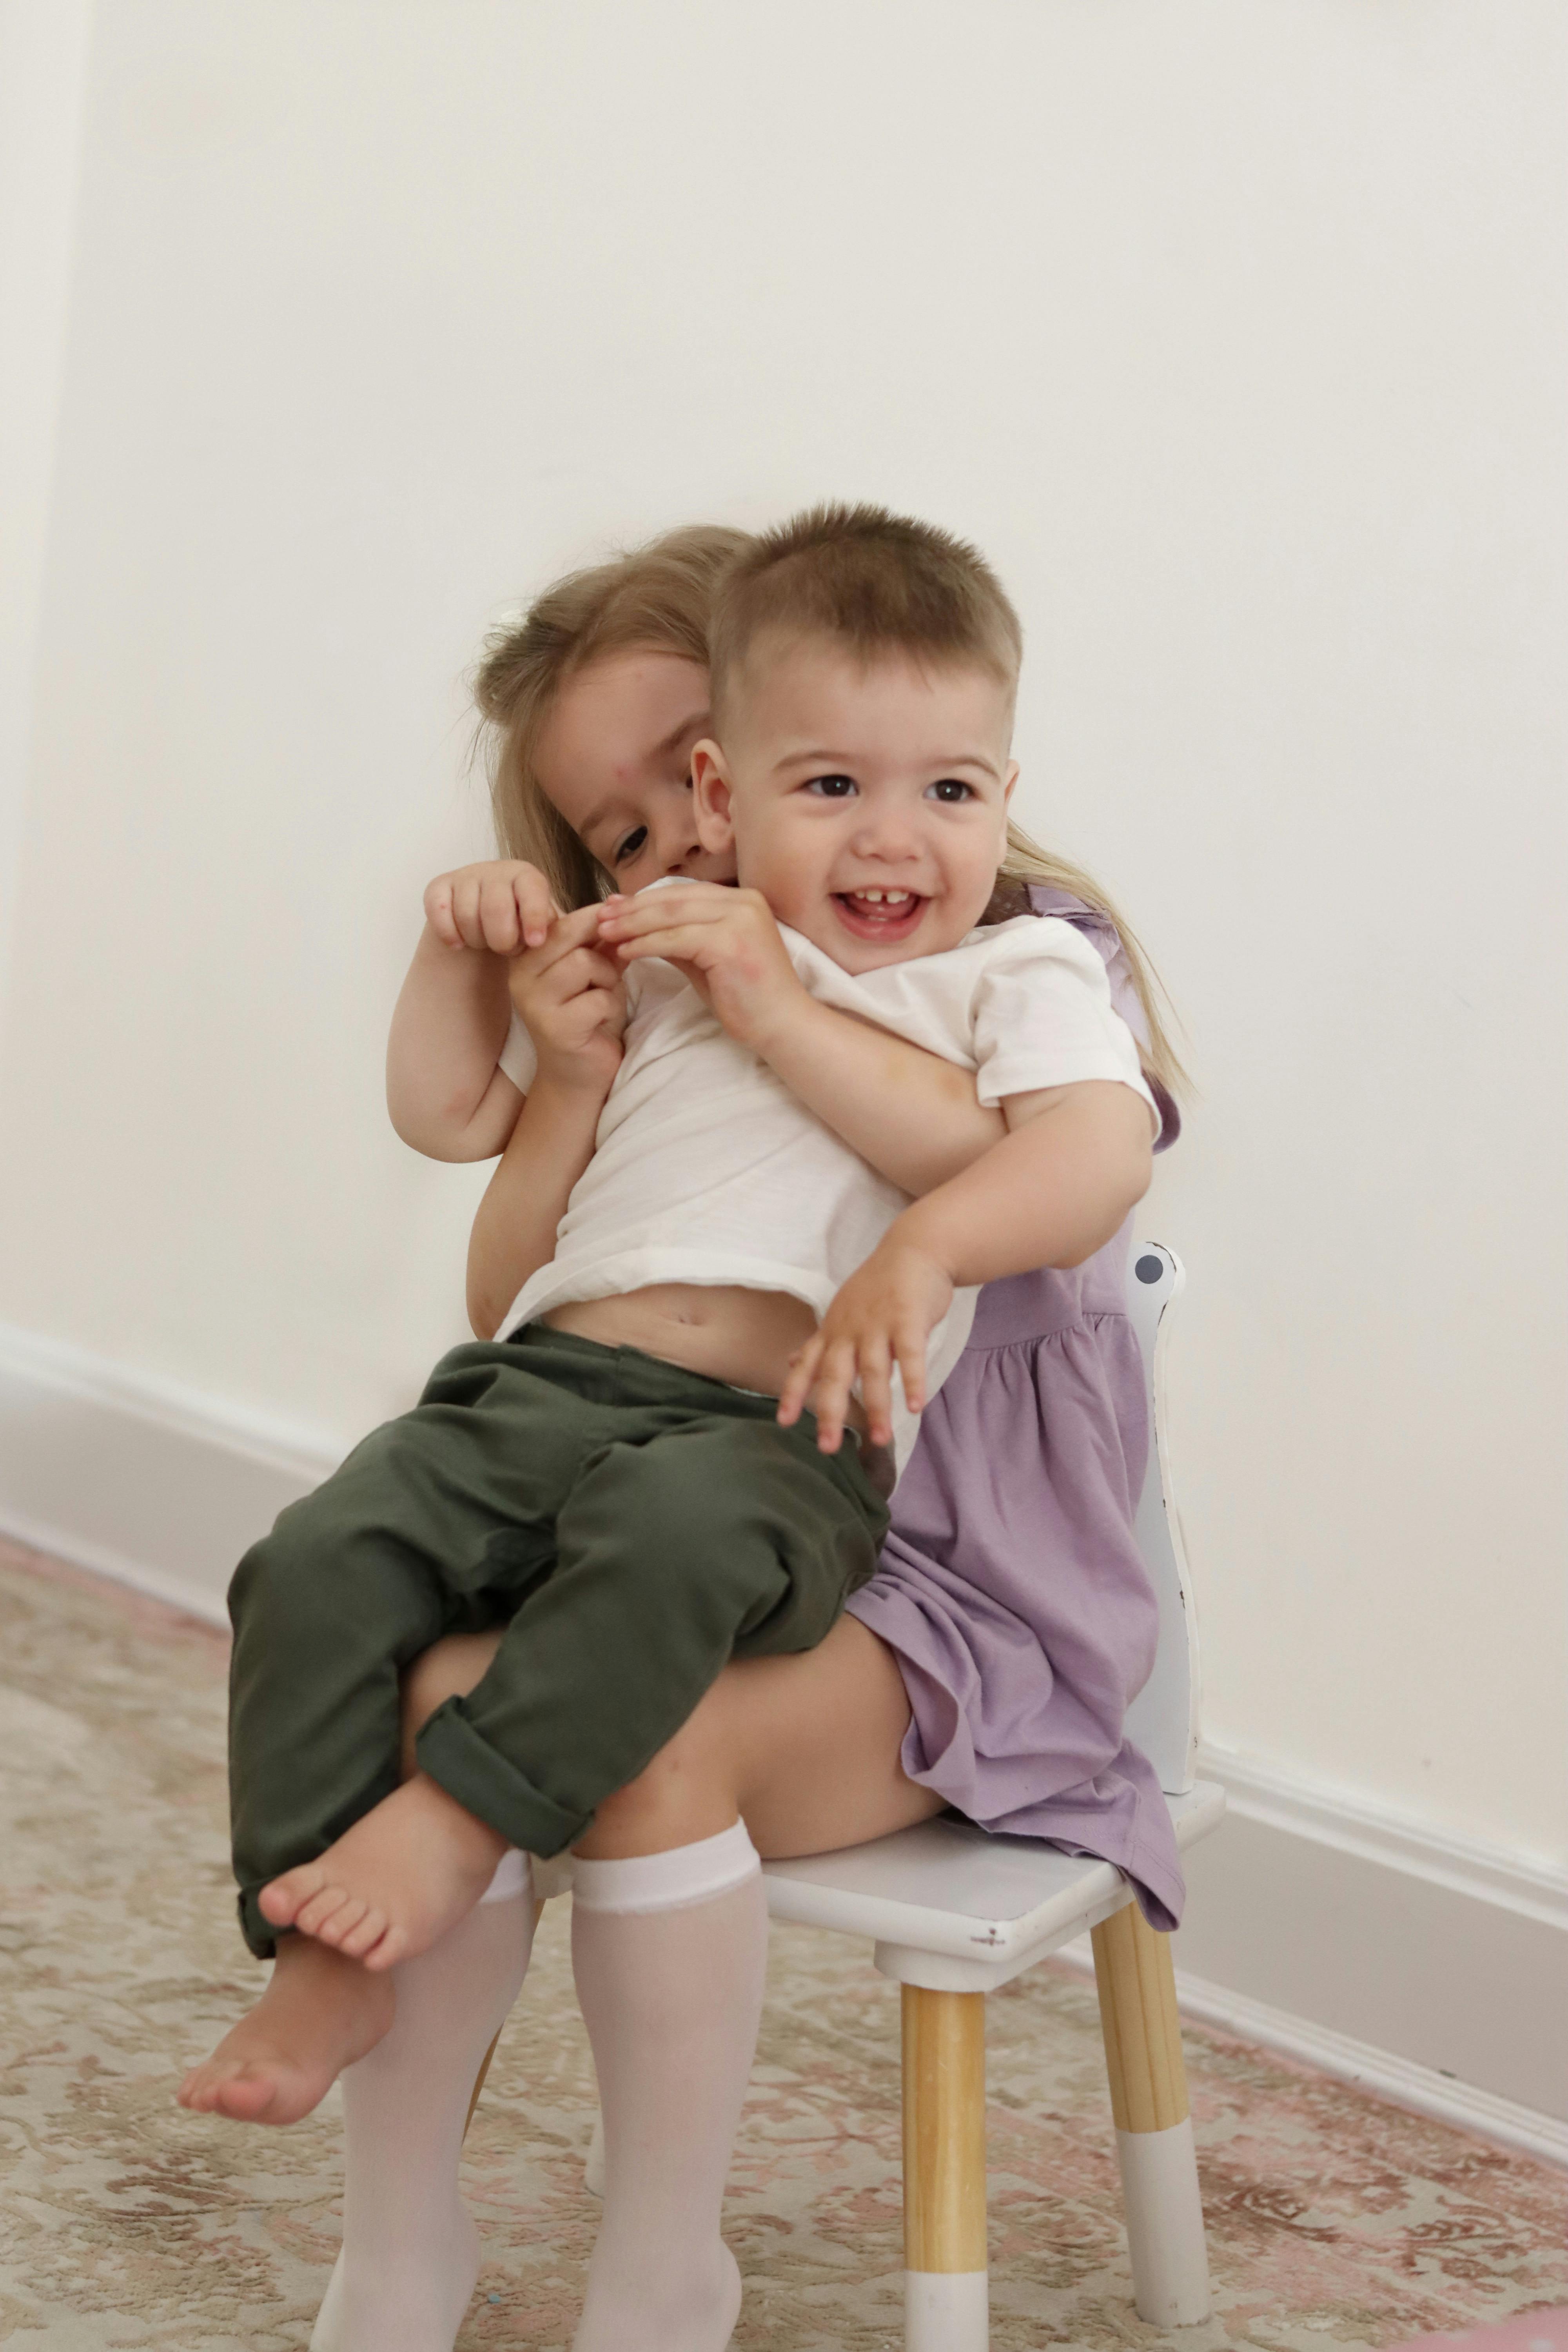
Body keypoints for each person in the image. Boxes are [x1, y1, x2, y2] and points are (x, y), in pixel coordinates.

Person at [187, 507, 1181, 2352]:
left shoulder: (997, 969)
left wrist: (806, 1057)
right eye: (633, 829)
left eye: (702, 792)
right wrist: (537, 1034)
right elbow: (488, 1234)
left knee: (626, 1678)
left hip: (885, 1535)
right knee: (332, 1572)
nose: (688, 849)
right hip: (567, 1400)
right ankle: (389, 2197)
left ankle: (659, 2264)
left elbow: (1046, 1165)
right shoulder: (672, 979)